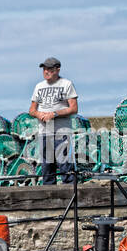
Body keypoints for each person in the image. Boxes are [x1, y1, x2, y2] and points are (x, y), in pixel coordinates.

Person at [28, 57, 79, 185]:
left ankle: (70, 198)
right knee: (47, 169)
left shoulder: (66, 84)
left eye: (49, 69)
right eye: (44, 69)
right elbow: (32, 110)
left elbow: (74, 108)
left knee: (65, 167)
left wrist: (54, 114)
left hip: (62, 132)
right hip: (45, 133)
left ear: (57, 69)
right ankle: (49, 198)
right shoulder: (39, 86)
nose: (46, 71)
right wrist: (39, 114)